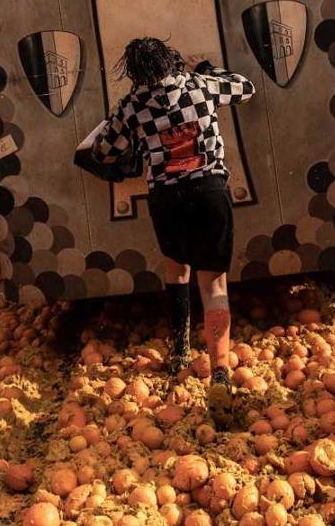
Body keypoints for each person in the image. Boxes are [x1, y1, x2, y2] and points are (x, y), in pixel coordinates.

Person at [83, 37, 255, 424]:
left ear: (134, 72)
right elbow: (247, 88)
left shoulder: (131, 106)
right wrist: (208, 72)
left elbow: (105, 151)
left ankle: (178, 350)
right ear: (171, 59)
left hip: (167, 200)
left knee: (176, 269)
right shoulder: (201, 86)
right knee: (214, 286)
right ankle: (221, 373)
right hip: (210, 192)